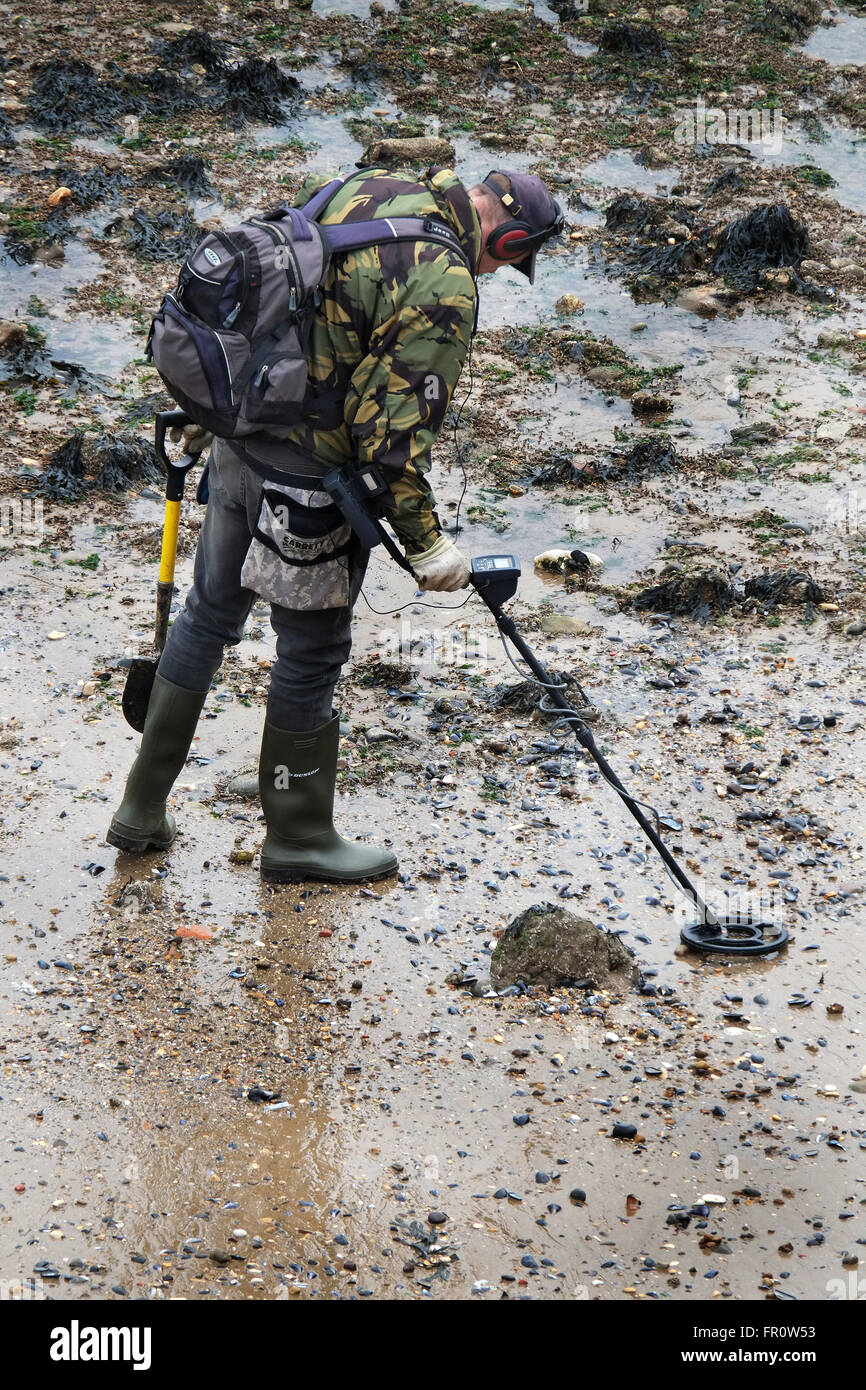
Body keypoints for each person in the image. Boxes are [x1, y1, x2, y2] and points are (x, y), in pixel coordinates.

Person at [108, 165, 562, 883]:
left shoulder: (377, 184)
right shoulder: (444, 278)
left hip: (238, 439)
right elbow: (390, 435)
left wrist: (208, 415)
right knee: (312, 652)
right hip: (307, 480)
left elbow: (281, 300)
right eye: (510, 258)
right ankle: (297, 836)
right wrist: (428, 544)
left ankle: (139, 809)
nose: (500, 271)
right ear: (505, 237)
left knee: (208, 616)